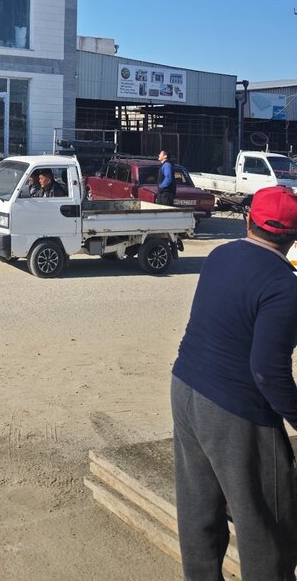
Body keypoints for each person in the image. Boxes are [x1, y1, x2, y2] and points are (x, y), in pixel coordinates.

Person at [171, 185, 297, 581]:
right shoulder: (286, 286)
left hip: (185, 387)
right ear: (293, 238)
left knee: (199, 509)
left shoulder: (219, 255)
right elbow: (267, 371)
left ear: (249, 221)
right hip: (236, 410)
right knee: (266, 525)